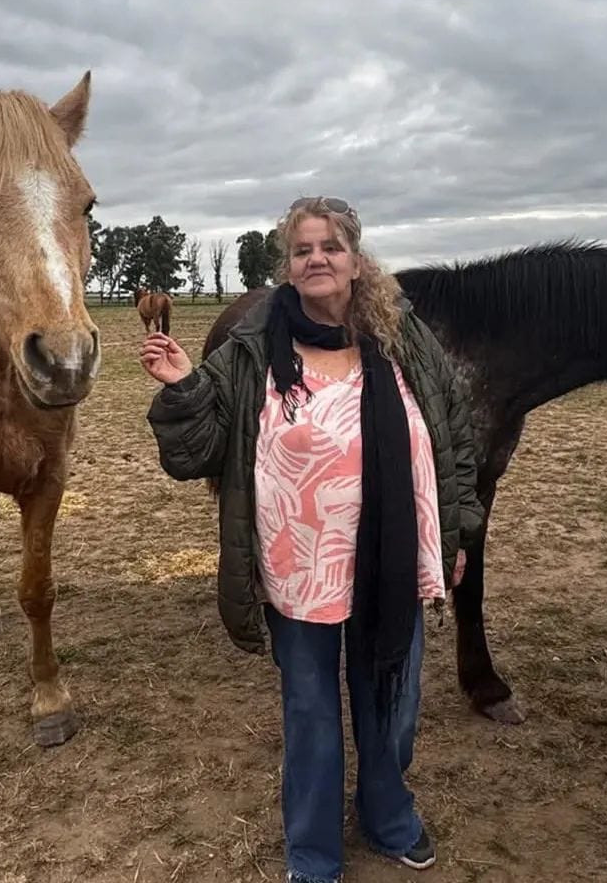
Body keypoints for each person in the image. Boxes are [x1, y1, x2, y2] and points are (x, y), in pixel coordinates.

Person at [141, 196, 483, 883]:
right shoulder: (249, 351)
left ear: (356, 261)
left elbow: (455, 436)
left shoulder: (403, 340)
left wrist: (456, 529)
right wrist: (182, 390)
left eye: (330, 247)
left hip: (393, 556)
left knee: (389, 697)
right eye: (302, 250)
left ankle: (389, 817)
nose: (317, 259)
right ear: (288, 266)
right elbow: (195, 455)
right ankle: (314, 852)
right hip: (297, 567)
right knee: (311, 709)